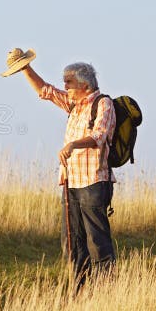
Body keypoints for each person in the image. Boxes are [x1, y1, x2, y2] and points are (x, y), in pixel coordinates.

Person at [20, 60, 116, 293]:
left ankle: (105, 290)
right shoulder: (74, 104)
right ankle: (80, 290)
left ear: (84, 84)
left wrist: (73, 145)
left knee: (97, 240)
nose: (65, 86)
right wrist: (25, 68)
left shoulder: (103, 104)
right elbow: (46, 91)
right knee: (72, 241)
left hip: (94, 181)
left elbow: (99, 136)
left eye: (69, 82)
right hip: (71, 182)